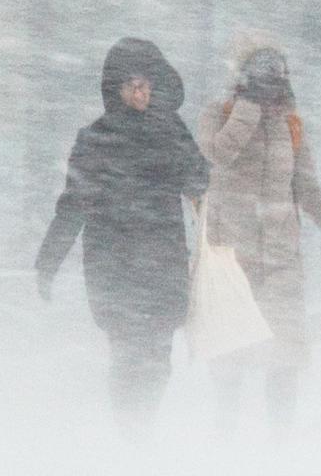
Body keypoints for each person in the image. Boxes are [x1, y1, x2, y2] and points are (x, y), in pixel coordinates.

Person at [36, 38, 210, 437]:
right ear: (116, 89)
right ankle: (131, 433)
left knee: (159, 358)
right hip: (114, 265)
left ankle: (140, 429)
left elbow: (199, 179)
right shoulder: (96, 139)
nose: (141, 93)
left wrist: (174, 136)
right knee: (128, 355)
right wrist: (48, 261)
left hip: (163, 262)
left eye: (147, 85)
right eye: (132, 85)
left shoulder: (169, 131)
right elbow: (73, 204)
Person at [200, 40, 321, 434]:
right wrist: (247, 109)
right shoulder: (221, 113)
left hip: (281, 261)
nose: (272, 85)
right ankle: (226, 435)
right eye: (262, 76)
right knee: (231, 355)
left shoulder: (290, 126)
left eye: (276, 76)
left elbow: (306, 184)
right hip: (232, 256)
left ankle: (280, 439)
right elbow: (216, 156)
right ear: (244, 78)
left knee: (284, 357)